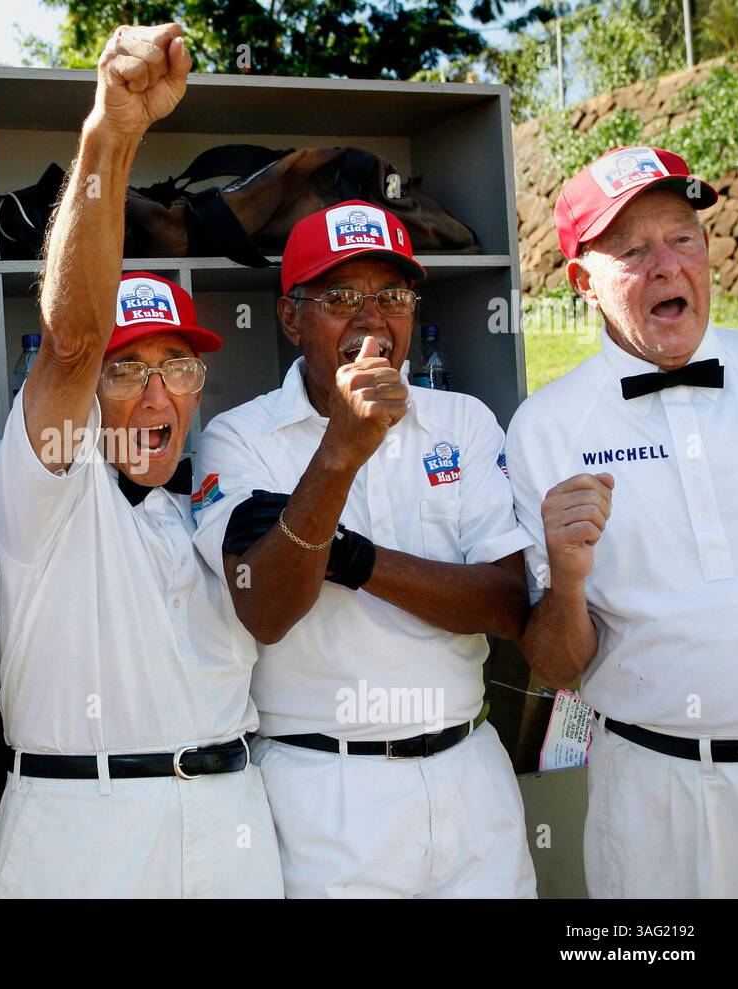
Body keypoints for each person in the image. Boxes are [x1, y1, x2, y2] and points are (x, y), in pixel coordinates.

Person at [0, 23, 283, 899]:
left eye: (178, 369)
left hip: (231, 823)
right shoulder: (49, 486)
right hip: (87, 834)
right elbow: (72, 337)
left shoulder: (214, 500)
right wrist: (108, 139)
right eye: (127, 371)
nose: (158, 399)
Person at [193, 199, 537, 897]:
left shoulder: (462, 419)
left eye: (392, 295)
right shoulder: (238, 436)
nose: (372, 318)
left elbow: (505, 603)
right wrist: (339, 454)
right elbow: (267, 608)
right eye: (341, 296)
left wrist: (347, 556)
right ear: (291, 317)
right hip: (325, 788)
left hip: (469, 768)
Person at [506, 145, 738, 897]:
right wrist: (567, 577)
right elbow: (557, 663)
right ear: (583, 282)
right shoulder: (545, 428)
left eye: (682, 237)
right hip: (645, 792)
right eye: (633, 250)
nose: (666, 265)